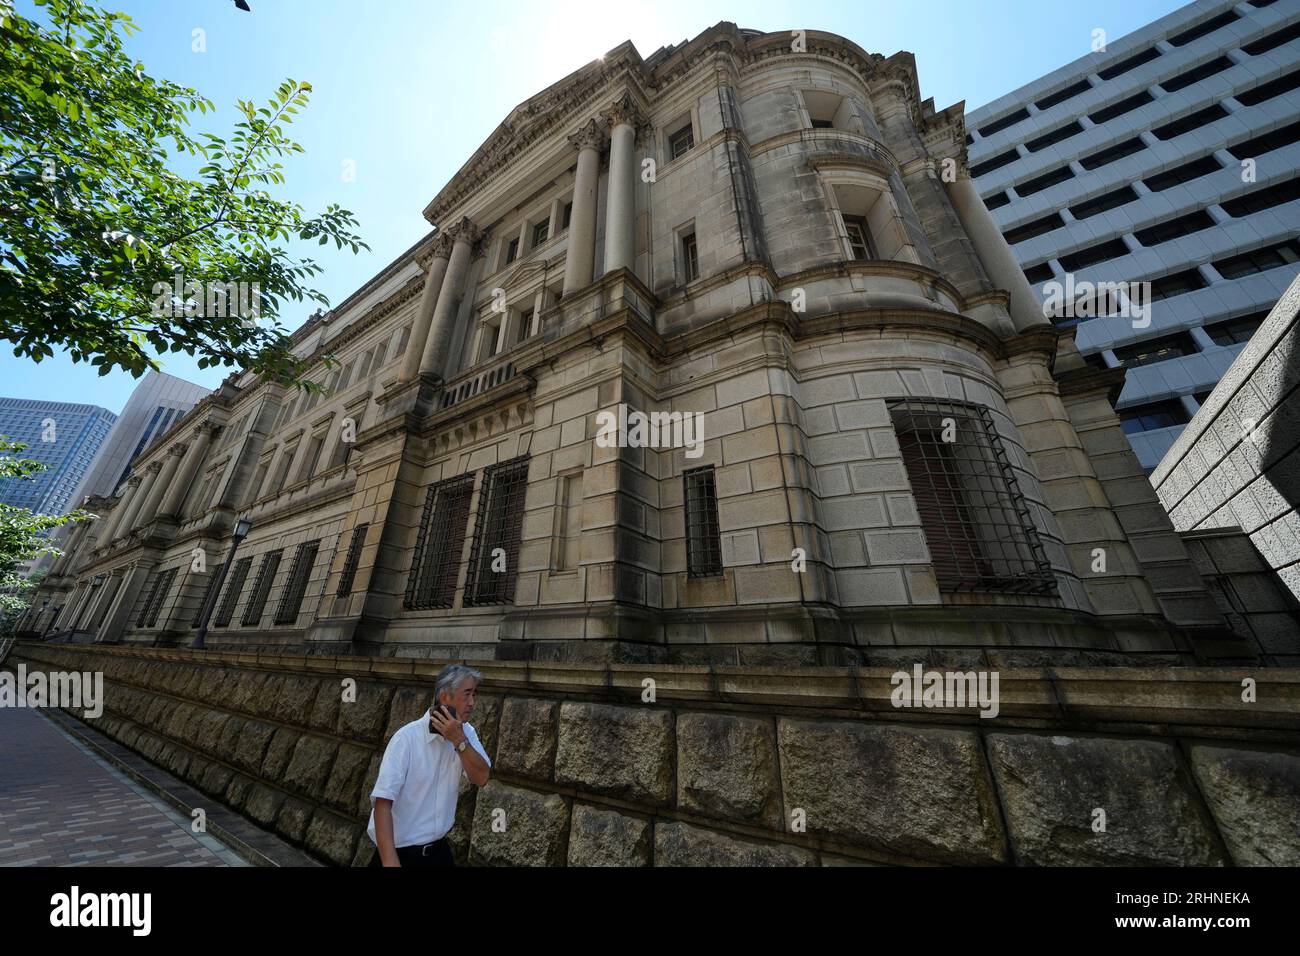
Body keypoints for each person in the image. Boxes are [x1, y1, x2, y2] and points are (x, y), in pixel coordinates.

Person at [366, 663, 491, 867]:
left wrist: (460, 743)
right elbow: (382, 804)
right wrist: (391, 863)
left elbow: (482, 777)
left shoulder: (467, 733)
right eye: (467, 694)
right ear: (444, 697)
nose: (472, 702)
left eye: (474, 695)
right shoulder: (406, 738)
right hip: (399, 855)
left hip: (439, 853)